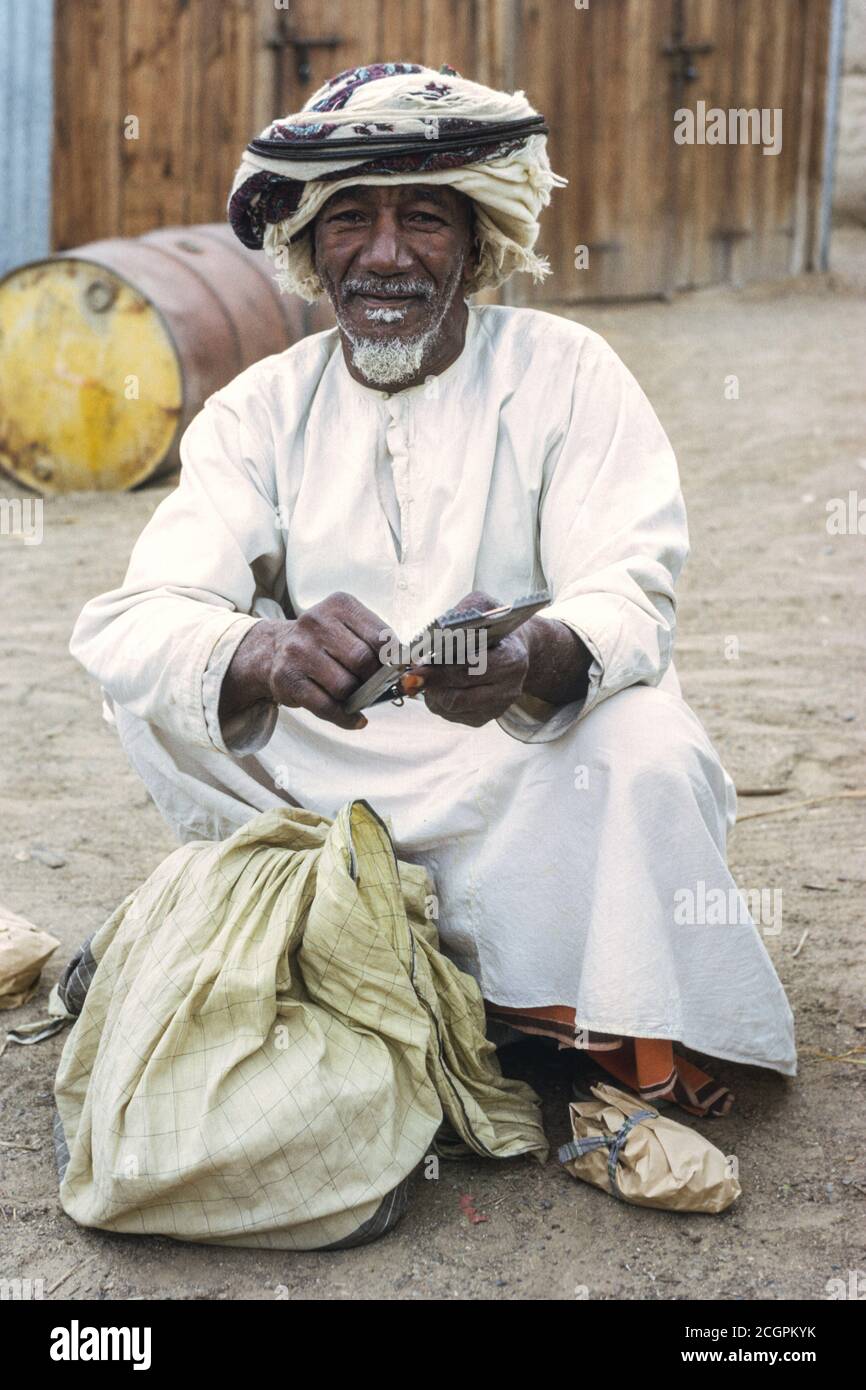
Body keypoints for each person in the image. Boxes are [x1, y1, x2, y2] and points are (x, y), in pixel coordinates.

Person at [70, 62, 796, 1116]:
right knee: (153, 683)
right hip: (329, 782)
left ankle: (550, 992)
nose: (383, 254)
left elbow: (632, 595)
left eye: (422, 218)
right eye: (348, 221)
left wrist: (525, 660)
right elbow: (139, 617)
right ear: (310, 250)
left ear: (476, 243)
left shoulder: (568, 372)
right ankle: (323, 929)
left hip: (517, 758)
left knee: (644, 744)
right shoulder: (255, 412)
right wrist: (264, 654)